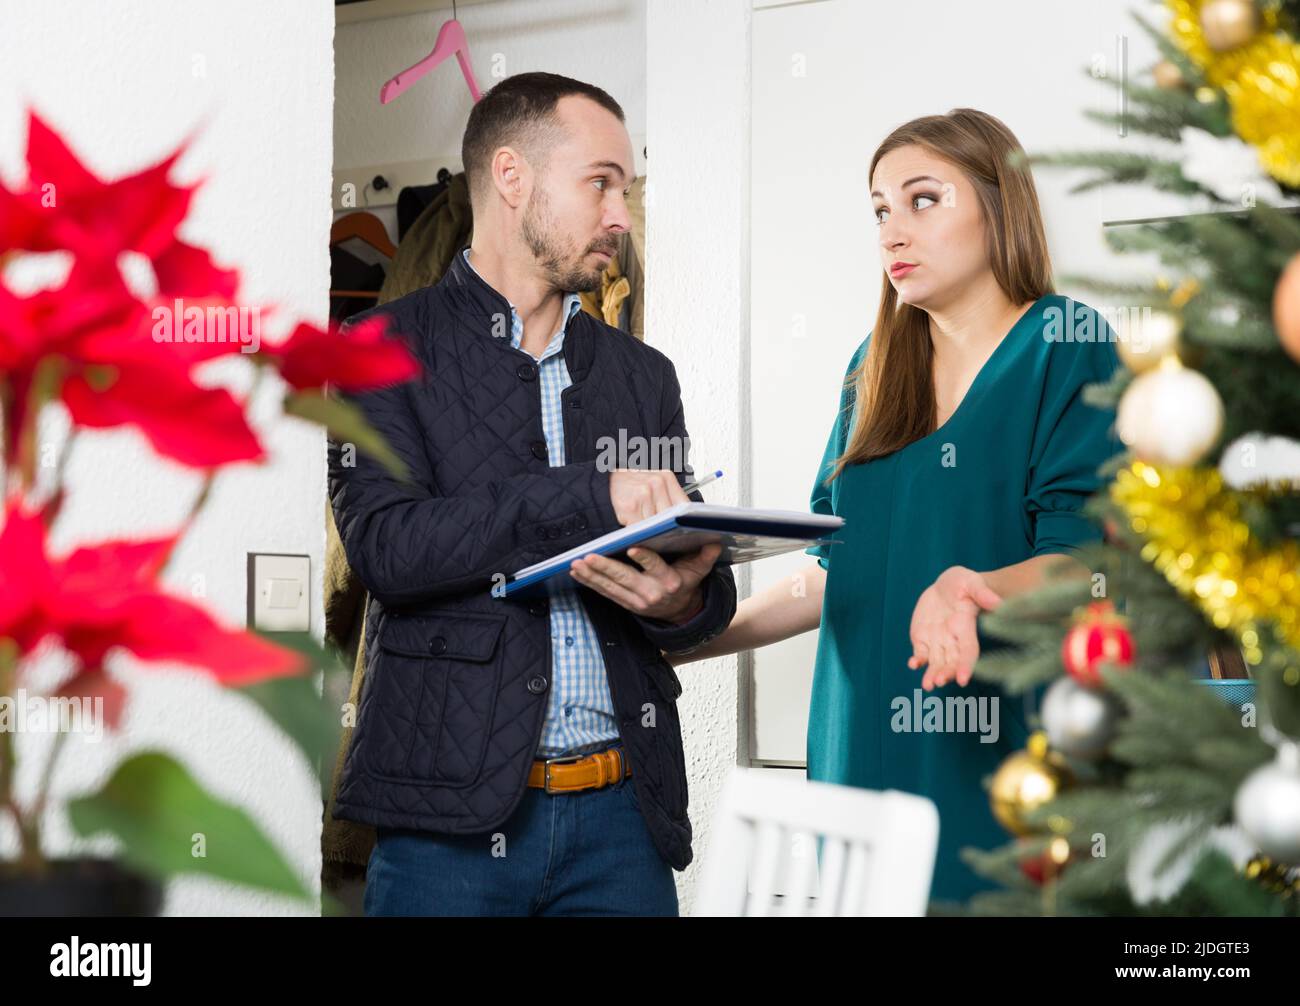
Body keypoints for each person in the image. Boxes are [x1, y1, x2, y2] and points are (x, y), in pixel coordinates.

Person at [666, 108, 1123, 904]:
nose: (892, 233)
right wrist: (686, 638)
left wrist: (970, 587)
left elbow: (1087, 563)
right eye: (879, 210)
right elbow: (833, 572)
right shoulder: (872, 367)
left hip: (996, 751)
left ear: (999, 202)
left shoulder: (1067, 341)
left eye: (922, 200)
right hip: (853, 752)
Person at [327, 72, 736, 916]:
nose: (622, 214)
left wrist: (681, 597)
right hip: (448, 833)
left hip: (624, 823)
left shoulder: (640, 375)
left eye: (625, 186)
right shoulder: (376, 351)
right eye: (601, 183)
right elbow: (390, 551)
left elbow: (699, 584)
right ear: (512, 177)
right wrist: (591, 495)